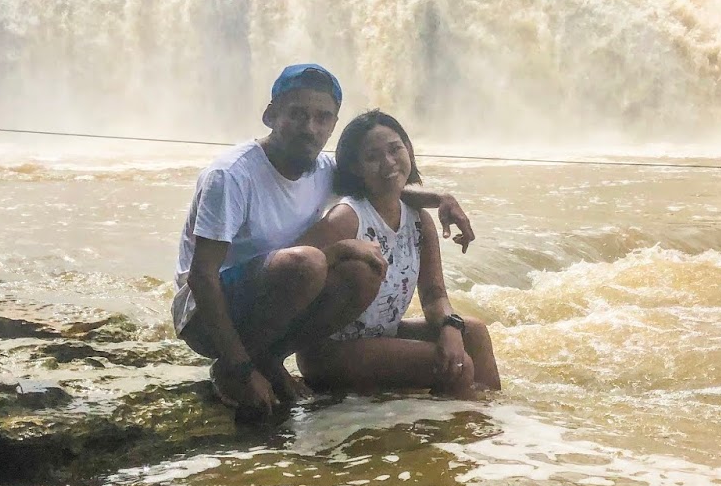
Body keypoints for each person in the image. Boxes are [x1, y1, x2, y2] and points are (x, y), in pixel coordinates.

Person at [173, 64, 474, 415]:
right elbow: (201, 277)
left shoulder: (320, 169)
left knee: (363, 271)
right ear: (271, 115)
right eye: (297, 115)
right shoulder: (231, 176)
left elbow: (382, 180)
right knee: (312, 260)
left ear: (333, 124)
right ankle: (234, 368)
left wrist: (440, 199)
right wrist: (241, 367)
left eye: (322, 117)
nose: (309, 128)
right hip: (206, 317)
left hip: (270, 304)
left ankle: (269, 360)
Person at [294, 110, 500, 397]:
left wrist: (449, 327)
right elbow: (292, 268)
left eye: (395, 149)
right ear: (355, 168)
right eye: (372, 157)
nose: (388, 163)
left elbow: (433, 295)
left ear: (409, 150)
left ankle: (486, 422)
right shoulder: (347, 217)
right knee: (457, 364)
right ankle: (453, 433)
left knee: (474, 334)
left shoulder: (418, 220)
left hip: (380, 333)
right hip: (331, 349)